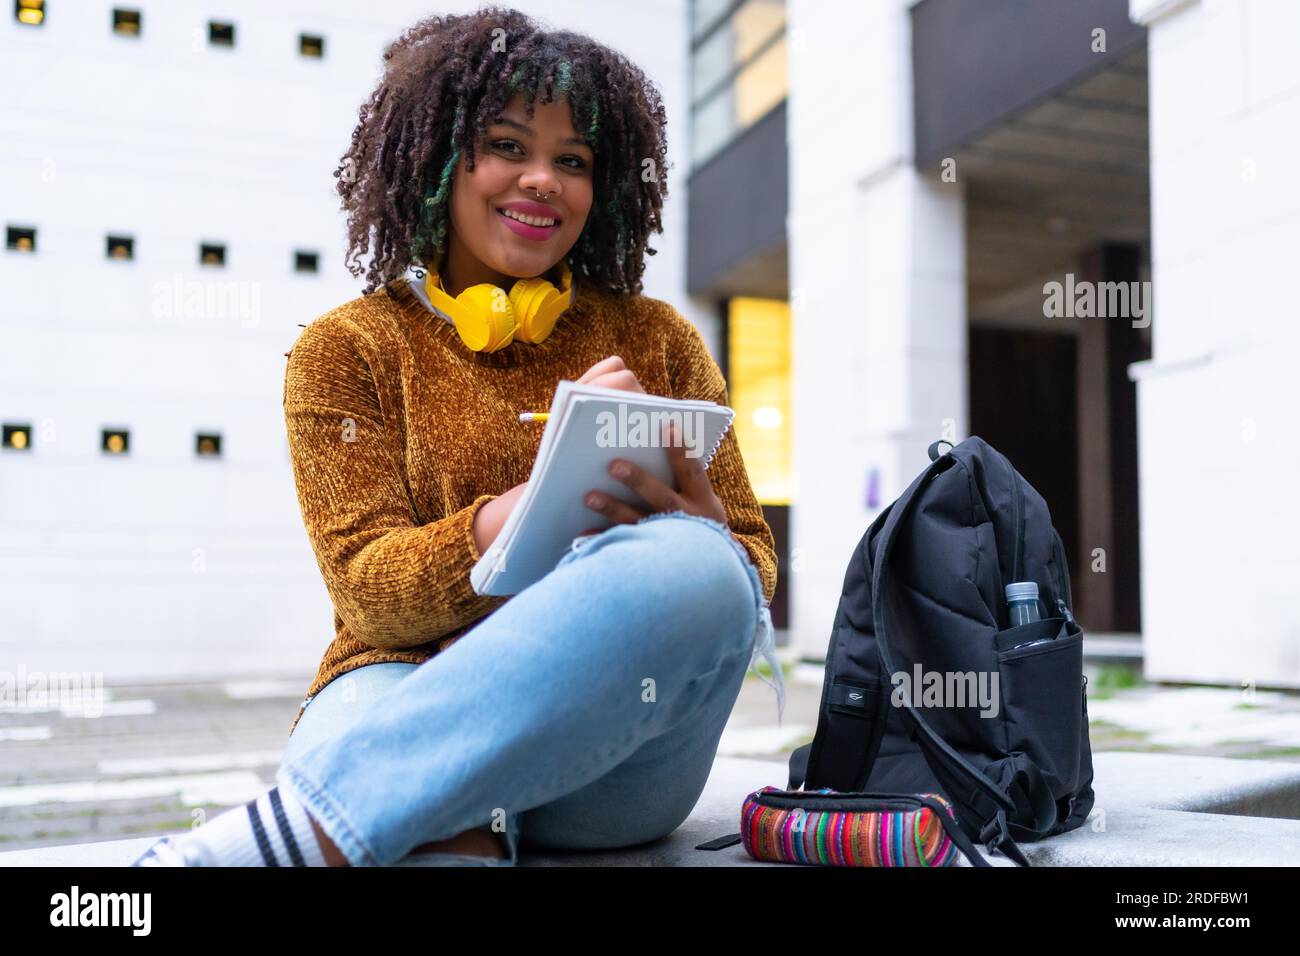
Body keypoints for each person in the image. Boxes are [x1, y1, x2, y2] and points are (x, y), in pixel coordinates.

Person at [132, 4, 784, 868]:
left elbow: (752, 573)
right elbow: (367, 597)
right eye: (509, 146)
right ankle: (377, 818)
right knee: (434, 839)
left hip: (615, 747)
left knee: (702, 567)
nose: (543, 178)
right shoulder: (347, 349)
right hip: (399, 682)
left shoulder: (660, 338)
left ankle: (280, 839)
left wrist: (705, 533)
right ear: (438, 159)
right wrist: (514, 514)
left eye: (573, 160)